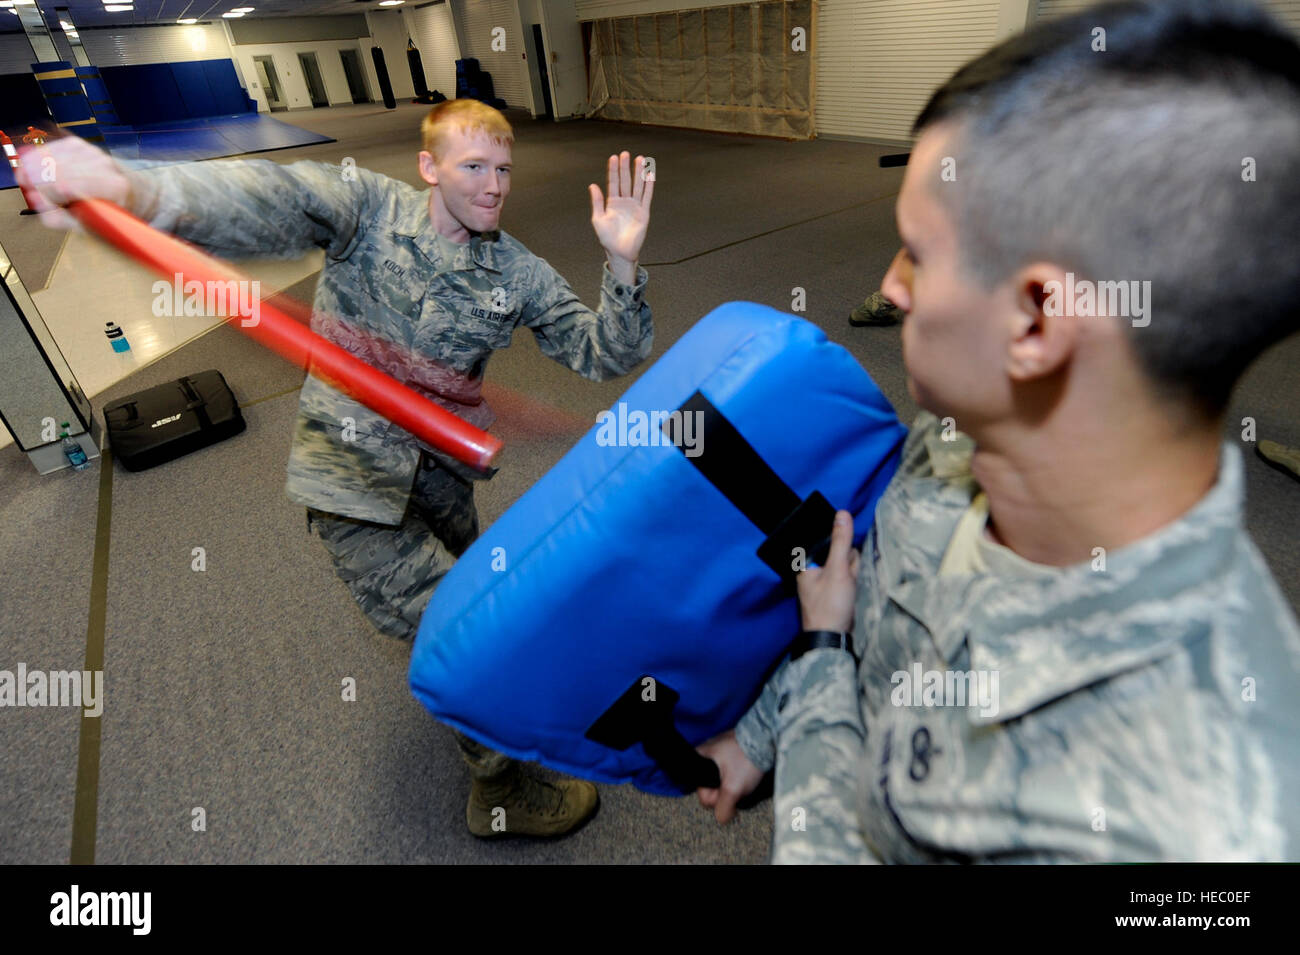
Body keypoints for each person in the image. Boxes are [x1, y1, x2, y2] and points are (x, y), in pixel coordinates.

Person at [697, 0, 1300, 862]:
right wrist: (773, 725)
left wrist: (820, 666)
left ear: (1036, 321)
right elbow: (884, 611)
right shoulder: (960, 434)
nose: (890, 286)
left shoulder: (1189, 828)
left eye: (916, 251)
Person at [21, 99, 657, 840]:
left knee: (476, 609)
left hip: (444, 479)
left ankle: (494, 716)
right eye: (473, 166)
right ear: (430, 166)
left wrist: (622, 261)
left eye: (504, 170)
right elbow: (273, 200)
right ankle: (499, 791)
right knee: (468, 632)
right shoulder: (367, 209)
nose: (493, 186)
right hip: (352, 486)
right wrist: (130, 187)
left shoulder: (514, 271)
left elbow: (604, 353)